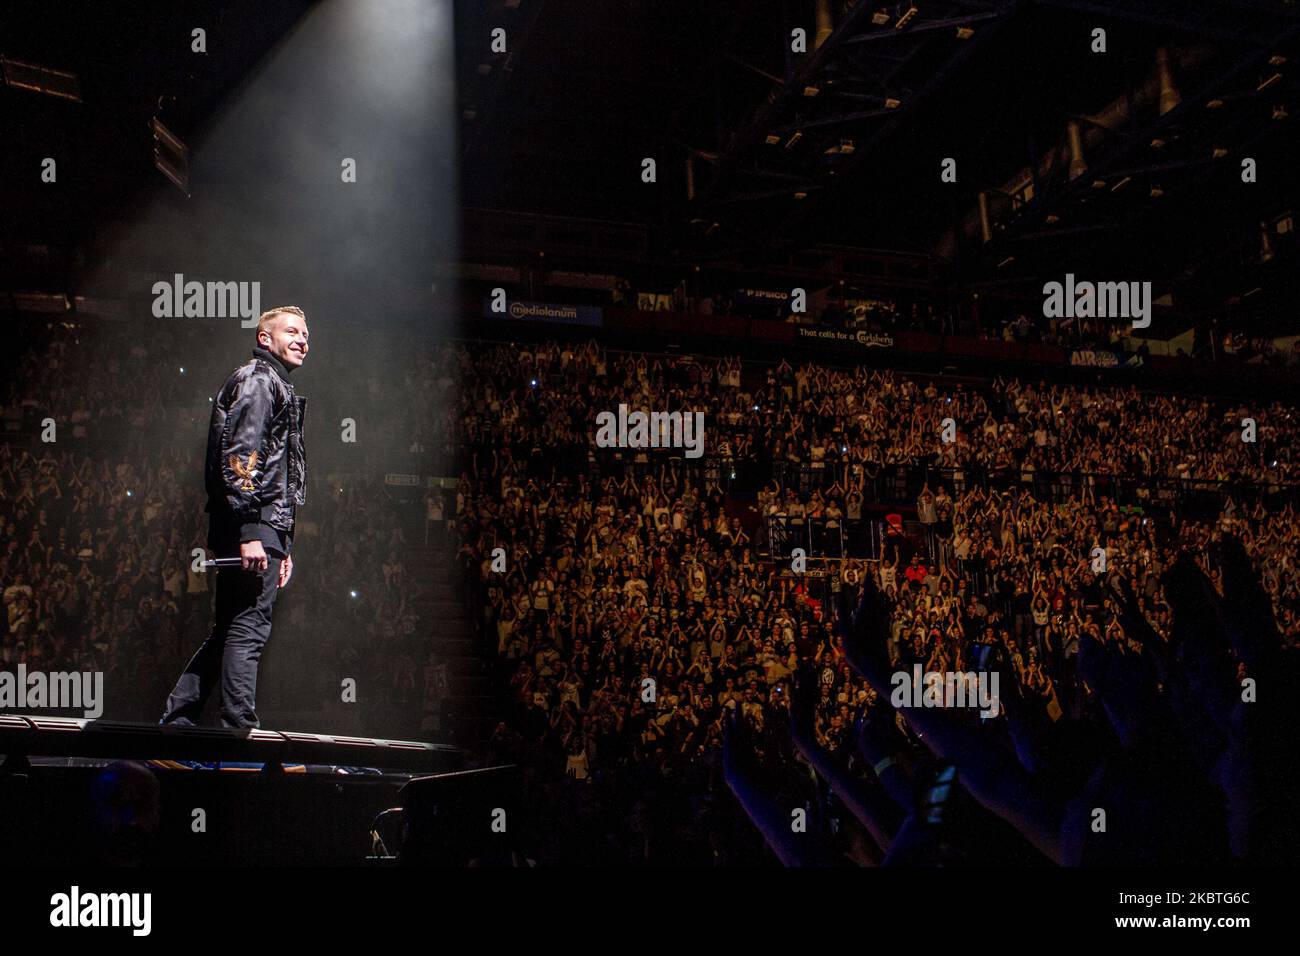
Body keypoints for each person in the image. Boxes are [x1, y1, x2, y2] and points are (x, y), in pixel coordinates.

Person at [160, 306, 309, 729]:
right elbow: (242, 457)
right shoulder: (259, 381)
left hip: (263, 526)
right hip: (253, 524)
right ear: (265, 338)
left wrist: (284, 543)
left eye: (306, 334)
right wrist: (251, 532)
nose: (303, 339)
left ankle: (179, 718)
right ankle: (237, 727)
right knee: (249, 625)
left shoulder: (271, 383)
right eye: (293, 331)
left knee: (230, 625)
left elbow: (279, 472)